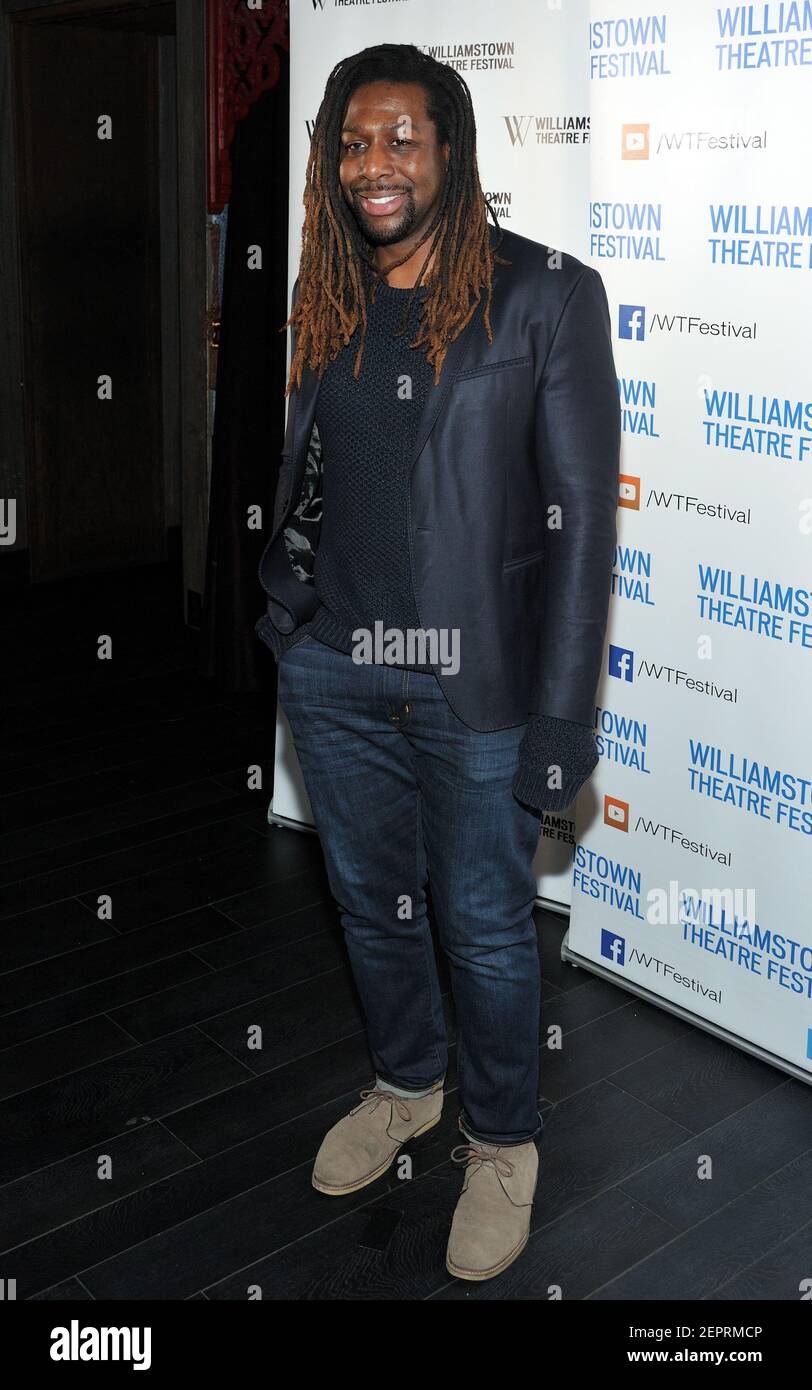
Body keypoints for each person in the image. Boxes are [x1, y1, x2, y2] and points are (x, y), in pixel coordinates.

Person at [255, 42, 620, 1282]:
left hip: (472, 682)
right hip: (336, 672)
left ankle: (503, 1138)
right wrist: (286, 611)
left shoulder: (547, 297)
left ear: (451, 152)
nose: (375, 163)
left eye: (401, 137)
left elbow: (582, 534)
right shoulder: (329, 288)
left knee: (482, 921)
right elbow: (312, 465)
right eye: (354, 142)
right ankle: (407, 1082)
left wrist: (564, 723)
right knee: (370, 903)